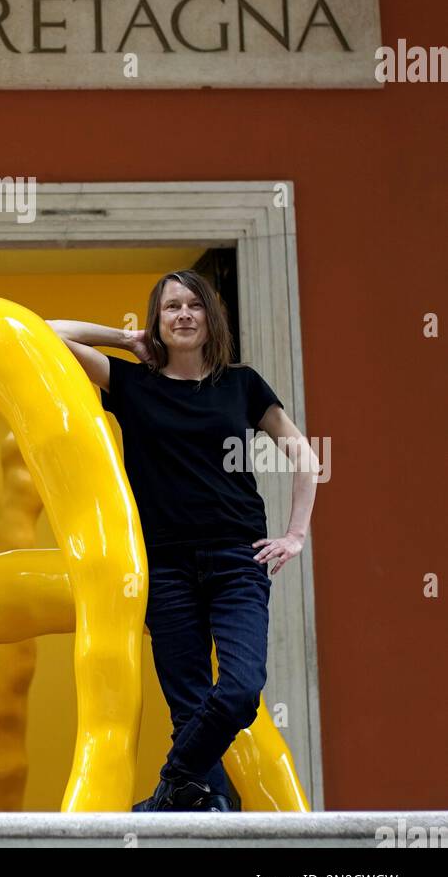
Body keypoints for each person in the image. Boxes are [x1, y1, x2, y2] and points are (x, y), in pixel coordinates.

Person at [47, 269, 319, 812]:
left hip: (237, 560)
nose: (184, 315)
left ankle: (173, 783)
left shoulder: (240, 385)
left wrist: (294, 536)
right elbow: (44, 331)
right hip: (165, 567)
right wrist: (124, 338)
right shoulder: (130, 384)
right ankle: (208, 801)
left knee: (240, 689)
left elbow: (306, 458)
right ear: (158, 321)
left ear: (210, 318)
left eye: (194, 305)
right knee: (190, 705)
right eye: (172, 307)